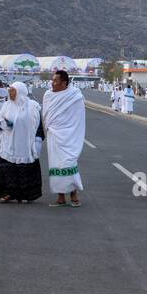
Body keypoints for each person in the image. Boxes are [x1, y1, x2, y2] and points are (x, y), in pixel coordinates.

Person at [43, 69, 86, 208]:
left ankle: (73, 194)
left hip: (69, 136)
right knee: (55, 164)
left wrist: (71, 132)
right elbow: (46, 115)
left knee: (68, 162)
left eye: (55, 81)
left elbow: (78, 118)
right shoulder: (48, 95)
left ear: (64, 82)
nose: (53, 83)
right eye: (52, 80)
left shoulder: (75, 96)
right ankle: (60, 196)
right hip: (53, 136)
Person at [0, 81, 43, 203]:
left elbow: (38, 126)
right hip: (8, 145)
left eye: (13, 91)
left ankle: (26, 194)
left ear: (20, 92)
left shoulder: (32, 107)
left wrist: (38, 141)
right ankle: (7, 193)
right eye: (9, 90)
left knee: (24, 171)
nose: (10, 93)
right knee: (7, 169)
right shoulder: (6, 105)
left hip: (25, 146)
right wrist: (2, 125)